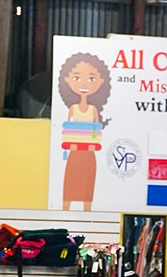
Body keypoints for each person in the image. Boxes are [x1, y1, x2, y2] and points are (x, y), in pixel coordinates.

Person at [58, 52, 111, 212]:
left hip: (89, 154)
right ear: (67, 79)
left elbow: (96, 130)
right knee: (70, 184)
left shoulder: (93, 109)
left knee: (87, 186)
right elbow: (67, 130)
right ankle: (64, 214)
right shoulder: (72, 109)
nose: (84, 84)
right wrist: (69, 144)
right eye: (77, 77)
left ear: (101, 82)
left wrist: (93, 144)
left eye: (91, 79)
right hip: (74, 153)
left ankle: (87, 215)